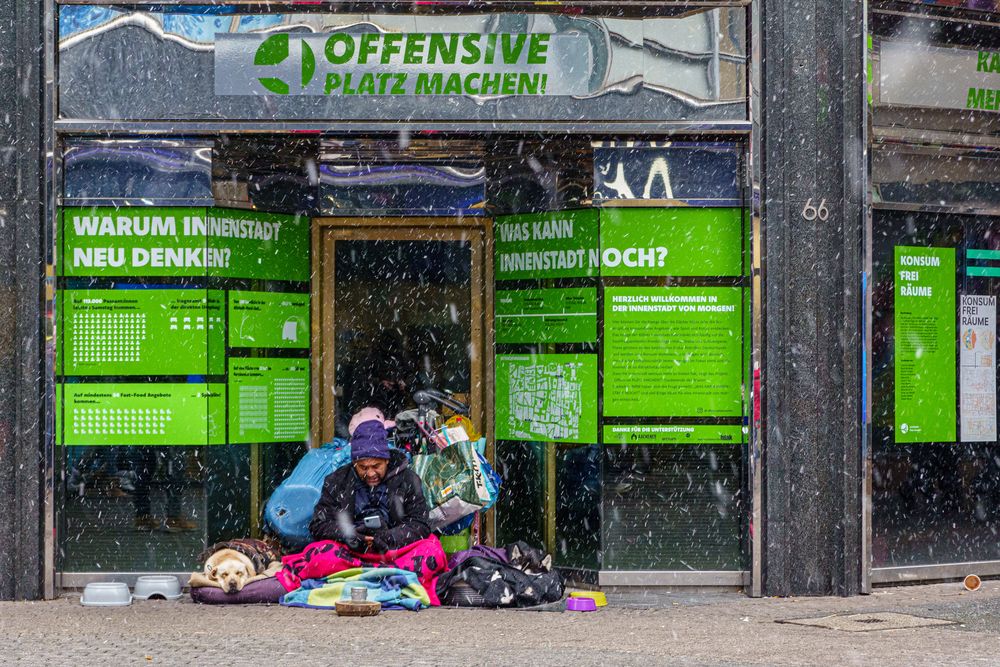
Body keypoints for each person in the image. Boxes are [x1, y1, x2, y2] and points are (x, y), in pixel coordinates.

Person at [309, 420, 430, 553]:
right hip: (350, 551)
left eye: (376, 466)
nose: (371, 473)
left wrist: (388, 537)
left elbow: (420, 524)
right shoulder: (336, 481)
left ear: (387, 460)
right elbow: (318, 525)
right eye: (363, 467)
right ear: (354, 463)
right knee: (322, 555)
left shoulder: (408, 479)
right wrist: (350, 534)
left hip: (397, 550)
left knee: (430, 550)